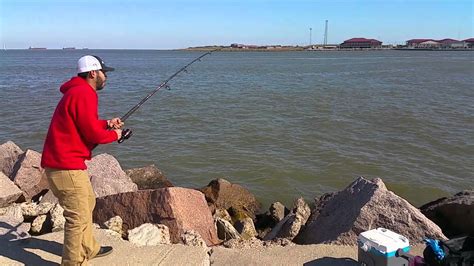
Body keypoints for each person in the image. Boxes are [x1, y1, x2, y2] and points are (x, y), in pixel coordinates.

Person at [41, 55, 123, 265]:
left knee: (88, 202)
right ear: (93, 73)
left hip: (63, 163)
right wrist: (116, 135)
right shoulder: (84, 93)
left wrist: (106, 123)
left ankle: (89, 248)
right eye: (104, 73)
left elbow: (86, 124)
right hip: (65, 166)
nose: (106, 77)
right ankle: (73, 262)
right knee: (77, 217)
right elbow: (92, 135)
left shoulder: (77, 91)